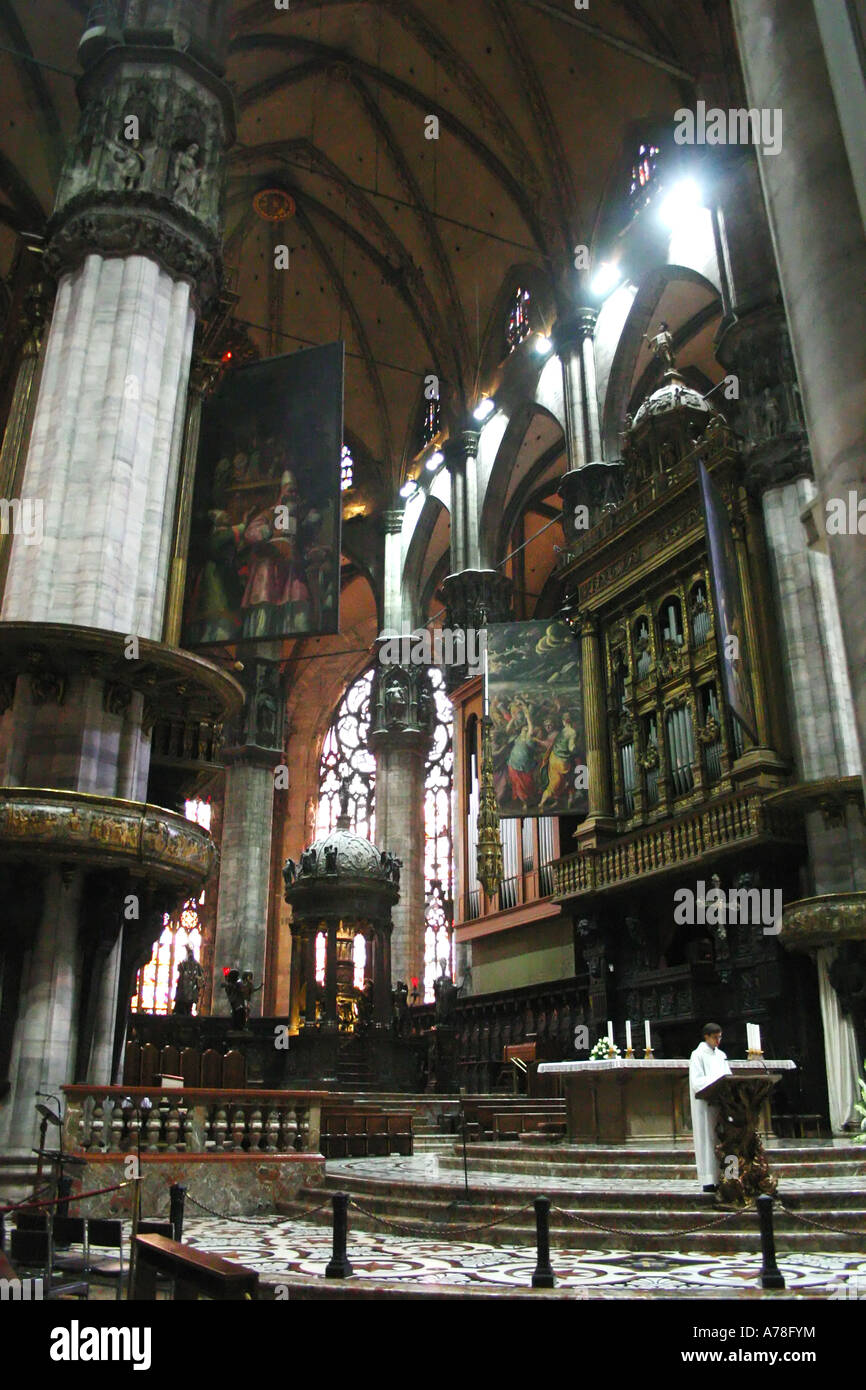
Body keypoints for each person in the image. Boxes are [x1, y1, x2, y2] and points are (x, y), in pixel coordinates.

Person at [689, 1022, 732, 1192]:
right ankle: (709, 1179)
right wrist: (717, 1081)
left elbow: (728, 1076)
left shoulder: (721, 1055)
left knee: (727, 1139)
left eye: (720, 1037)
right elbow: (697, 1082)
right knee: (708, 1139)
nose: (718, 1041)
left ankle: (730, 1176)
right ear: (706, 1036)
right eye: (715, 1037)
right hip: (707, 1106)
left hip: (723, 1105)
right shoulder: (697, 1055)